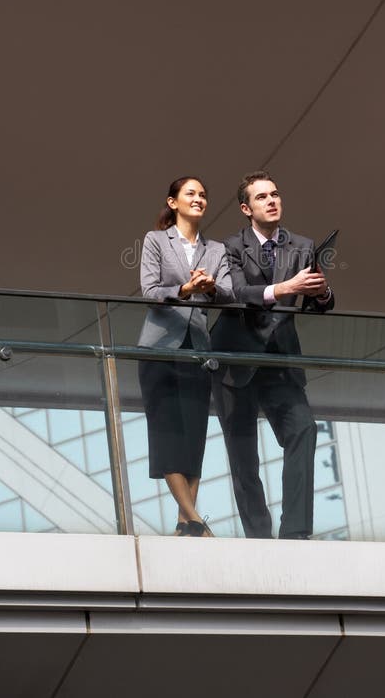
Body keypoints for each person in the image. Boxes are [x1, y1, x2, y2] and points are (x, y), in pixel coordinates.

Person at [211, 171, 334, 540]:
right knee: (243, 457)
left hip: (280, 360)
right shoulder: (230, 246)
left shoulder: (303, 245)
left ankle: (295, 531)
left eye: (275, 194)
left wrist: (322, 292)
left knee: (304, 429)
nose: (272, 201)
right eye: (262, 197)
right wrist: (285, 287)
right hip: (235, 360)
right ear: (246, 208)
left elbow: (318, 304)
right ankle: (259, 538)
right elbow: (237, 293)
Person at [138, 176, 234, 537]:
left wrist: (210, 288)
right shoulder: (155, 240)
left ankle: (185, 524)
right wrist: (184, 289)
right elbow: (149, 291)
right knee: (166, 434)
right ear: (173, 202)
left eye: (203, 195)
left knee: (194, 437)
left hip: (198, 350)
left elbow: (229, 293)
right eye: (190, 193)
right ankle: (195, 520)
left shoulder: (216, 249)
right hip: (159, 349)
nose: (199, 199)